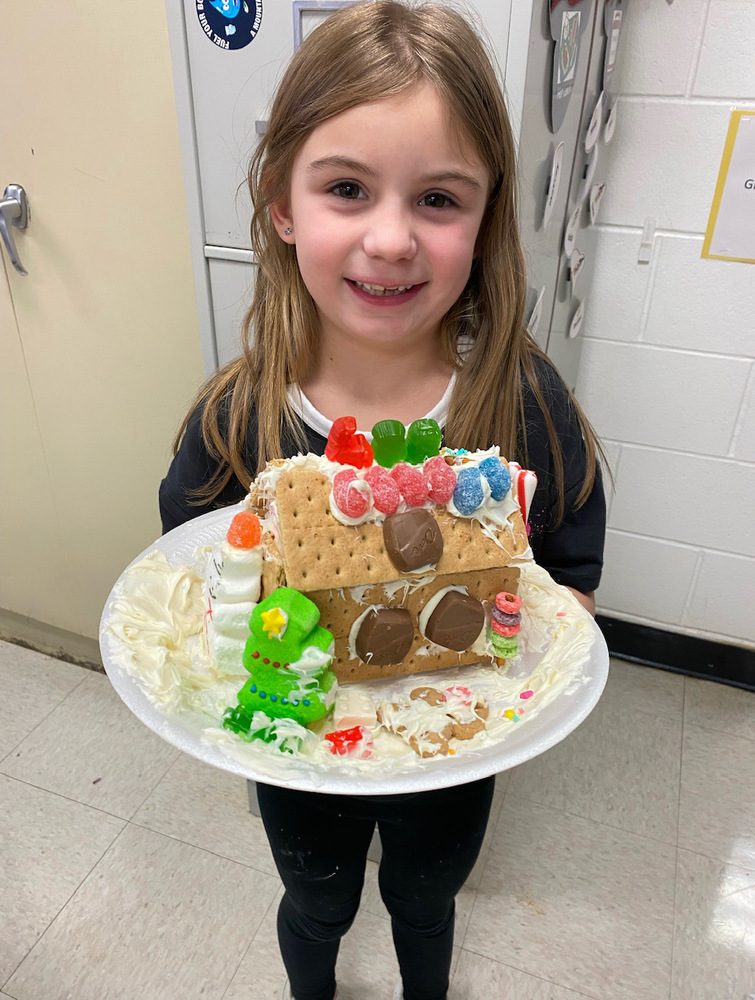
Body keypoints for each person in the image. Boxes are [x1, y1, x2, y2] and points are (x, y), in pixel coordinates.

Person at [159, 4, 606, 999]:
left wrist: (538, 630)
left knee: (425, 899)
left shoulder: (523, 405)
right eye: (347, 188)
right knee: (317, 901)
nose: (392, 238)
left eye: (438, 198)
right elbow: (190, 566)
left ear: (483, 220)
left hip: (451, 746)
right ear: (282, 204)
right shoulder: (238, 418)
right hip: (299, 747)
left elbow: (571, 562)